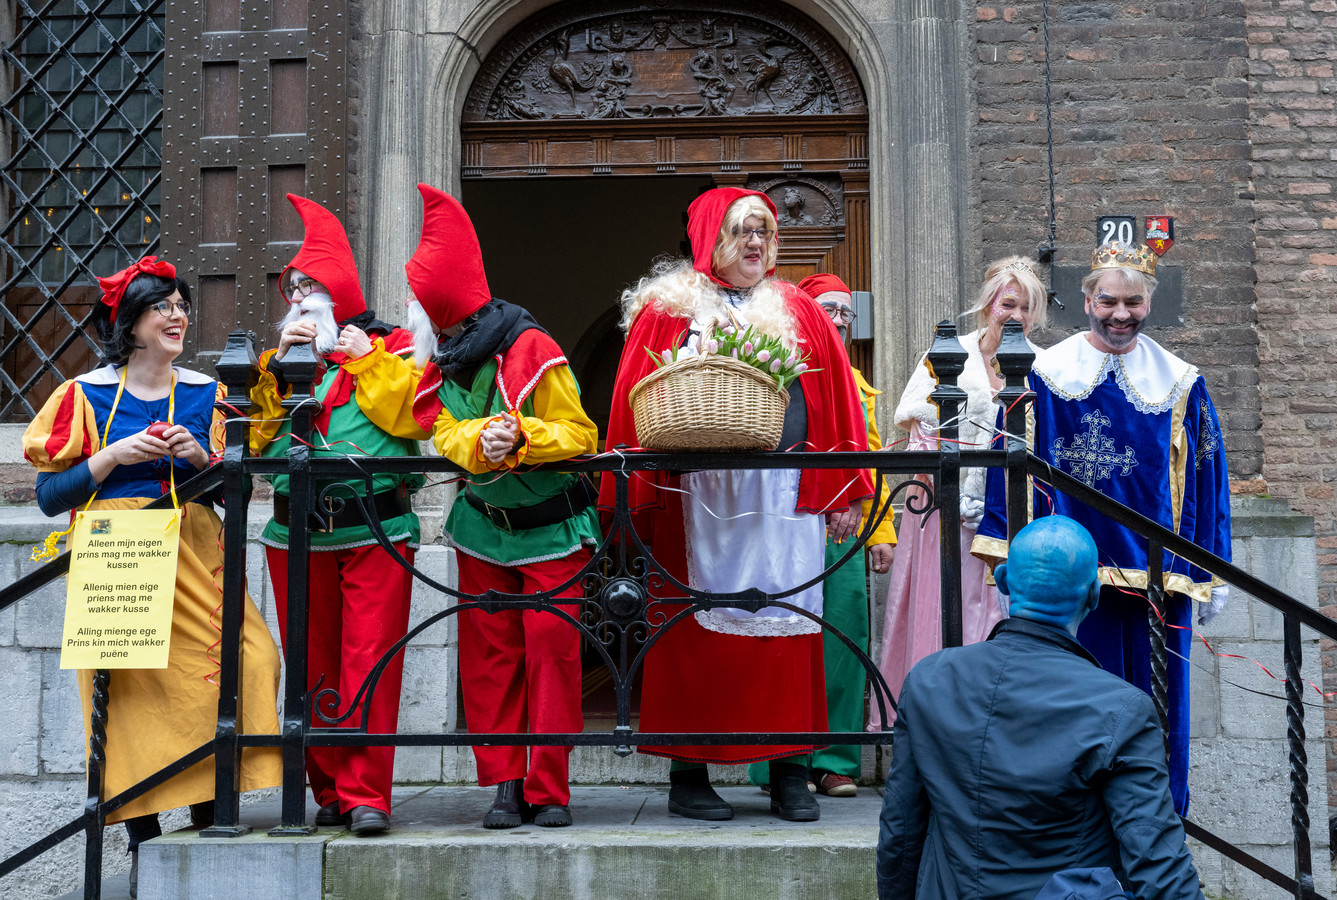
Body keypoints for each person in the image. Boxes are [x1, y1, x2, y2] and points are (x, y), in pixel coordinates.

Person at [601, 187, 873, 822]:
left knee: (791, 629)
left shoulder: (800, 310)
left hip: (785, 499)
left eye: (764, 232)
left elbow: (837, 402)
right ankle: (689, 774)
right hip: (695, 497)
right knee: (689, 636)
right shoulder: (667, 310)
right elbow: (632, 401)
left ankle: (790, 772)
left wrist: (843, 489)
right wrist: (635, 494)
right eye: (742, 231)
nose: (756, 243)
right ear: (710, 239)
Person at [23, 257, 282, 897]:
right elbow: (49, 497)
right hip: (118, 550)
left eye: (180, 305)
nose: (177, 316)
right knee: (129, 695)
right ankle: (144, 841)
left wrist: (198, 458)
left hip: (194, 550)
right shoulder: (83, 395)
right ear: (130, 322)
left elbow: (232, 492)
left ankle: (209, 817)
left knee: (247, 660)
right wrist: (110, 457)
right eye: (162, 306)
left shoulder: (204, 393)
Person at [973, 240, 1232, 814]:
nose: (1121, 314)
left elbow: (1208, 475)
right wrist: (1007, 548)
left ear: (1148, 304)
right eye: (1109, 301)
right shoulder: (1044, 375)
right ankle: (1069, 821)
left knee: (1156, 710)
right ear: (1088, 300)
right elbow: (1008, 463)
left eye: (1133, 303)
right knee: (1066, 703)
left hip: (1158, 581)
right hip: (1065, 580)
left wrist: (1208, 567)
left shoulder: (1181, 381)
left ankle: (1154, 821)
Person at [877, 516, 1204, 900]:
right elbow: (1160, 869)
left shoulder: (929, 680)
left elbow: (900, 832)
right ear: (1094, 596)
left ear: (1002, 581)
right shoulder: (1122, 710)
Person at [405, 183, 598, 829]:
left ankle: (549, 788)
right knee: (490, 663)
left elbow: (581, 434)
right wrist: (480, 441)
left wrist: (521, 436)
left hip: (552, 531)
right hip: (481, 529)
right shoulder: (442, 362)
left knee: (551, 655)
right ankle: (505, 785)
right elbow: (442, 432)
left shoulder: (534, 349)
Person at [248, 194, 425, 835]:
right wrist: (275, 372)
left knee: (370, 663)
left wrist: (365, 359)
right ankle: (326, 788)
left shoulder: (394, 346)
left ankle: (365, 794)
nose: (298, 299)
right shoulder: (277, 364)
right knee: (312, 663)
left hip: (377, 527)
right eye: (292, 289)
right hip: (294, 530)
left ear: (340, 292)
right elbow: (251, 443)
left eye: (310, 286)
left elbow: (415, 418)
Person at [868, 256, 1046, 731]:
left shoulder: (1044, 366)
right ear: (988, 305)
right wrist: (951, 489)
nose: (1017, 315)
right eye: (1008, 304)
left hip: (1012, 518)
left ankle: (994, 728)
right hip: (942, 512)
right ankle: (931, 724)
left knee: (998, 616)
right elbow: (918, 431)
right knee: (943, 610)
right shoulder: (950, 354)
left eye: (1027, 307)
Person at [748, 272, 896, 798]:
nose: (837, 320)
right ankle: (776, 763)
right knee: (780, 635)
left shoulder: (855, 383)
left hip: (842, 525)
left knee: (843, 638)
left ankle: (834, 761)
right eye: (825, 309)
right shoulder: (772, 370)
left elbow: (870, 462)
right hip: (784, 520)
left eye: (845, 312)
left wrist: (881, 531)